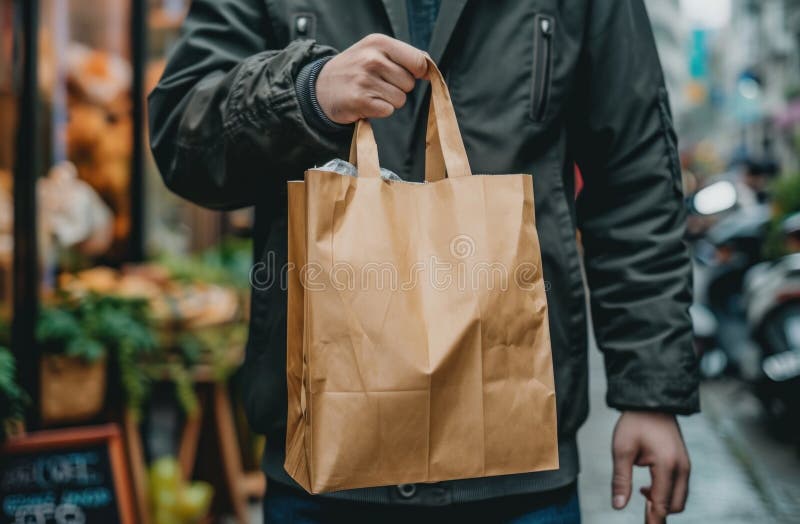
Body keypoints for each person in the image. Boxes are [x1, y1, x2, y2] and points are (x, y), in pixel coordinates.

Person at [149, 1, 698, 522]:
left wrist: (650, 393)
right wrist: (304, 94)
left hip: (517, 471)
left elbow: (634, 176)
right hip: (324, 469)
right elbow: (181, 134)